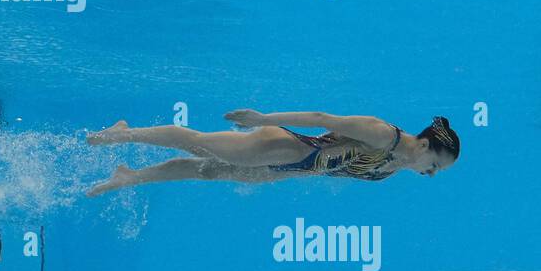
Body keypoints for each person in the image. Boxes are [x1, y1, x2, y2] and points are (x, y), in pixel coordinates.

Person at [86, 108, 459, 195]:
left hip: (286, 168)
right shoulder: (381, 135)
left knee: (206, 170)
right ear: (425, 145)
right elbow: (321, 118)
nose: (431, 172)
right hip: (281, 146)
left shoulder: (394, 167)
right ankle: (124, 133)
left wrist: (281, 176)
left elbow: (335, 167)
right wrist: (263, 118)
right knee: (196, 141)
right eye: (435, 164)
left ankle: (131, 176)